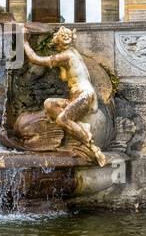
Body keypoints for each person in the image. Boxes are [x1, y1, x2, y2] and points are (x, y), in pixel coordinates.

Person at [23, 27, 107, 166]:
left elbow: (35, 59)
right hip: (76, 96)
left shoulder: (66, 56)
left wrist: (25, 42)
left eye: (67, 36)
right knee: (49, 103)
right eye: (63, 36)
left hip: (84, 95)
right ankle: (76, 128)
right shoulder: (70, 53)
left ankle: (91, 145)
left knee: (62, 119)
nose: (66, 38)